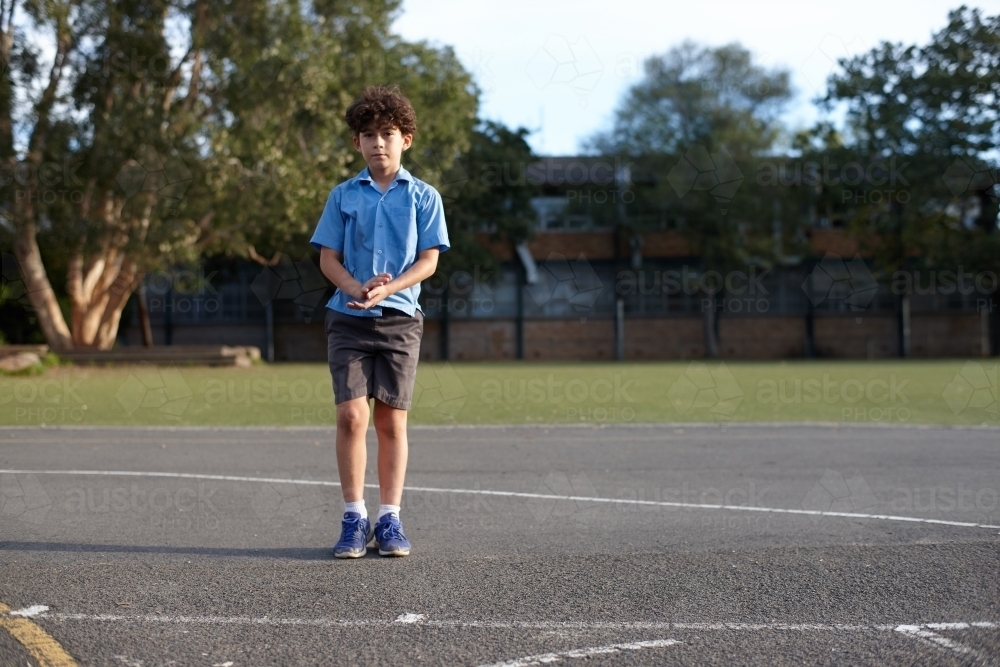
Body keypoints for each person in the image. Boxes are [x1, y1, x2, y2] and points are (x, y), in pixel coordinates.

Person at [310, 86, 449, 558]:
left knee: (391, 422)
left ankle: (389, 519)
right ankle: (354, 518)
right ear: (357, 144)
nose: (378, 143)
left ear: (405, 139)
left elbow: (429, 260)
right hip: (347, 317)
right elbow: (328, 259)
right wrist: (356, 289)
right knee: (352, 416)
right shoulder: (343, 195)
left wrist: (387, 290)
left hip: (401, 320)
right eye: (368, 135)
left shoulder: (424, 197)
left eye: (387, 133)